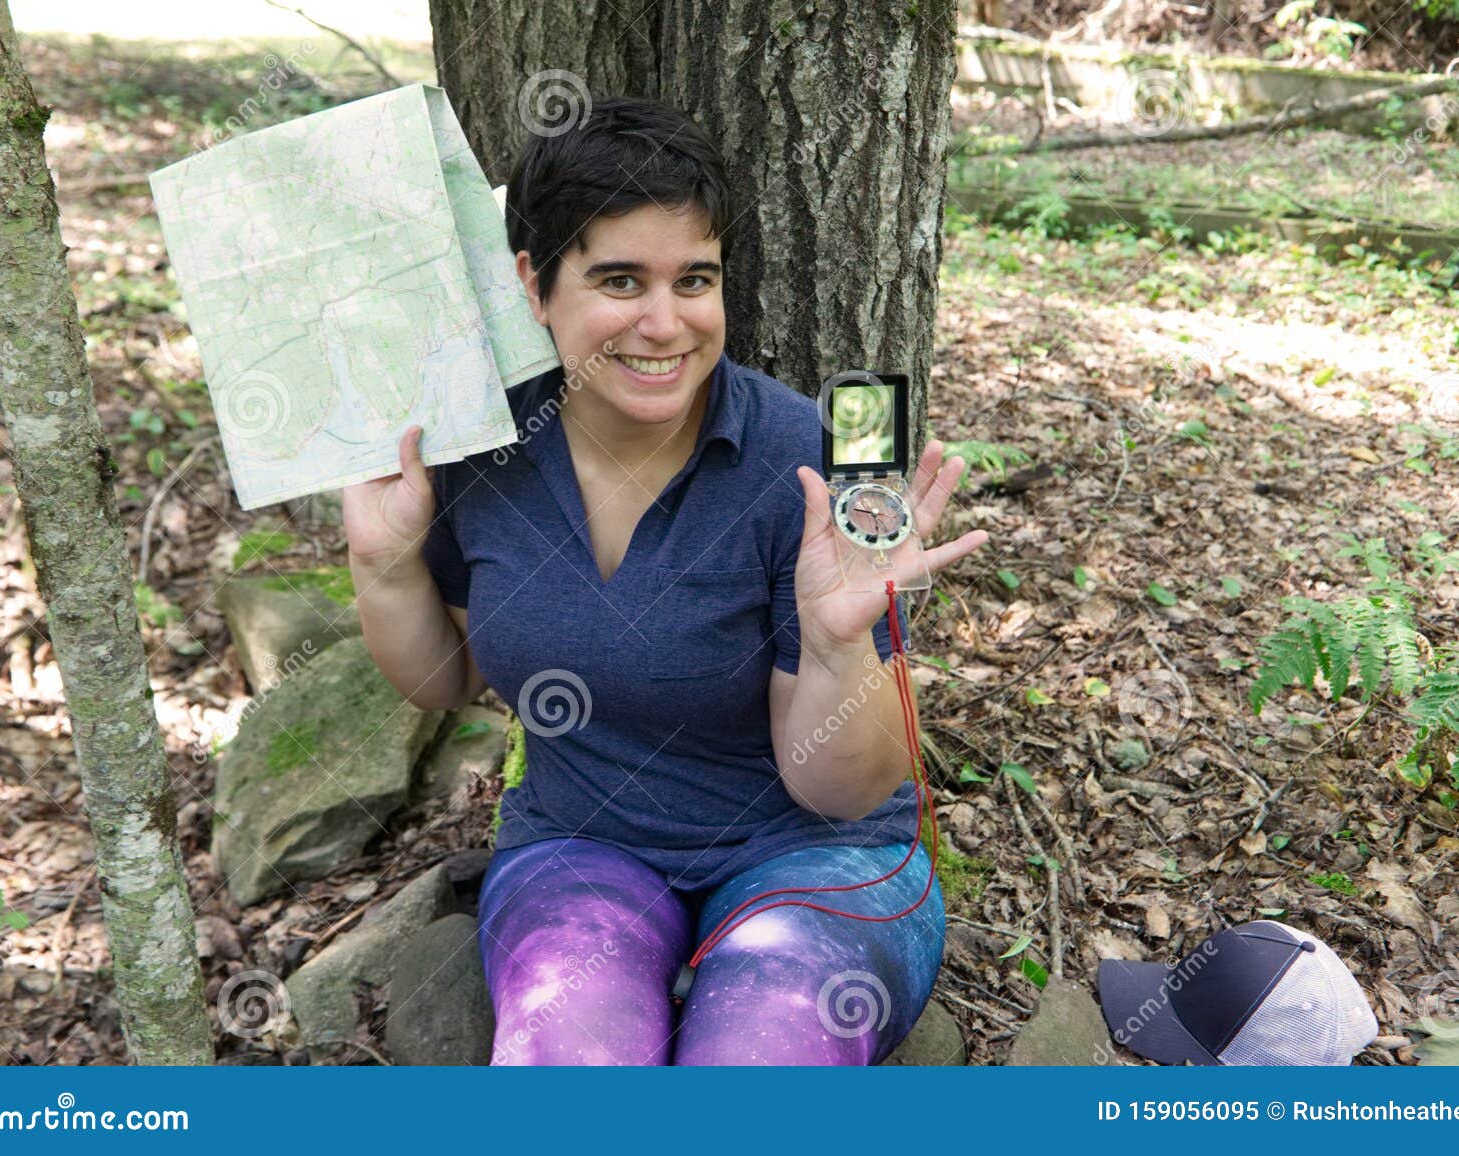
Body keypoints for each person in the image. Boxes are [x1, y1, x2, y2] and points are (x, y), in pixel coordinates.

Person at [343, 96, 988, 1065]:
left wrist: (836, 639)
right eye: (617, 279)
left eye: (694, 279)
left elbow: (843, 789)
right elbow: (447, 681)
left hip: (817, 860)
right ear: (535, 283)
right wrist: (385, 568)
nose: (663, 322)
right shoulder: (478, 441)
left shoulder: (814, 458)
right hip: (579, 850)